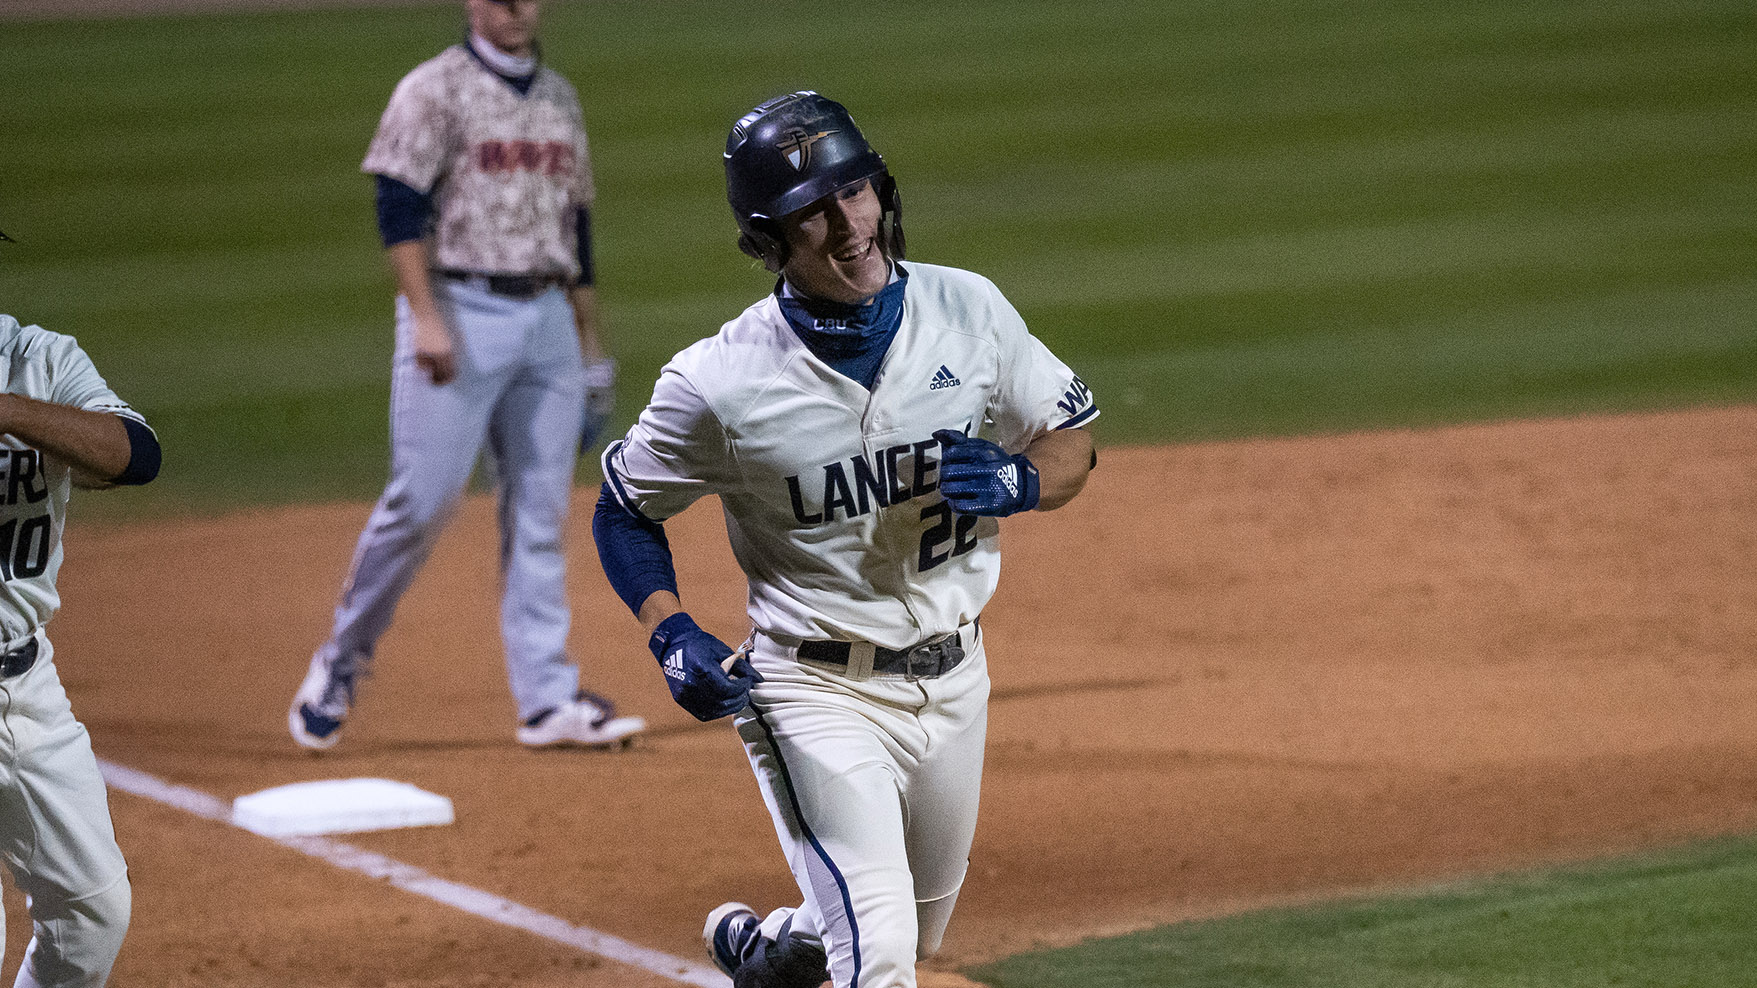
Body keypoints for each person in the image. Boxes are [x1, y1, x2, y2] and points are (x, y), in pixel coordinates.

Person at [594, 92, 1099, 988]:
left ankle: (772, 955)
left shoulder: (968, 309)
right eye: (811, 212)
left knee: (918, 927)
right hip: (810, 688)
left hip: (954, 678)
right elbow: (624, 508)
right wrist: (670, 633)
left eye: (855, 191)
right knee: (884, 956)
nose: (847, 225)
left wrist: (1022, 480)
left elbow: (1071, 440)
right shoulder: (718, 384)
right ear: (769, 239)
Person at [290, 0, 644, 751]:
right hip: (458, 306)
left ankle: (546, 698)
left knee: (541, 509)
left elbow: (575, 229)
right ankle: (342, 659)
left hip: (546, 314)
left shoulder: (559, 98)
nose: (515, 8)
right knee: (420, 503)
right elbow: (397, 207)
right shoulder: (432, 89)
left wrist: (590, 347)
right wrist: (422, 315)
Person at [0, 310, 161, 986]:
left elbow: (137, 455)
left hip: (24, 688)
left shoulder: (39, 358)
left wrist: (8, 411)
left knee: (93, 913)